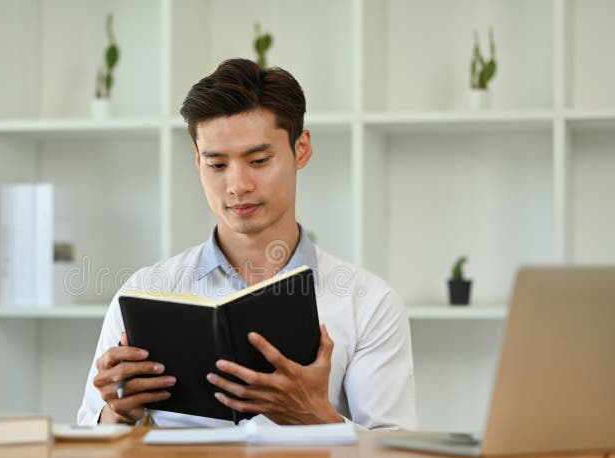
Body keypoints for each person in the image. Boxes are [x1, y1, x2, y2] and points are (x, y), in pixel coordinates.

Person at [77, 58, 416, 429]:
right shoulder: (144, 293)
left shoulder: (368, 302)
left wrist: (315, 418)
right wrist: (118, 413)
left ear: (301, 150)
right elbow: (91, 450)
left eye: (258, 160)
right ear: (197, 161)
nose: (238, 185)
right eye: (217, 165)